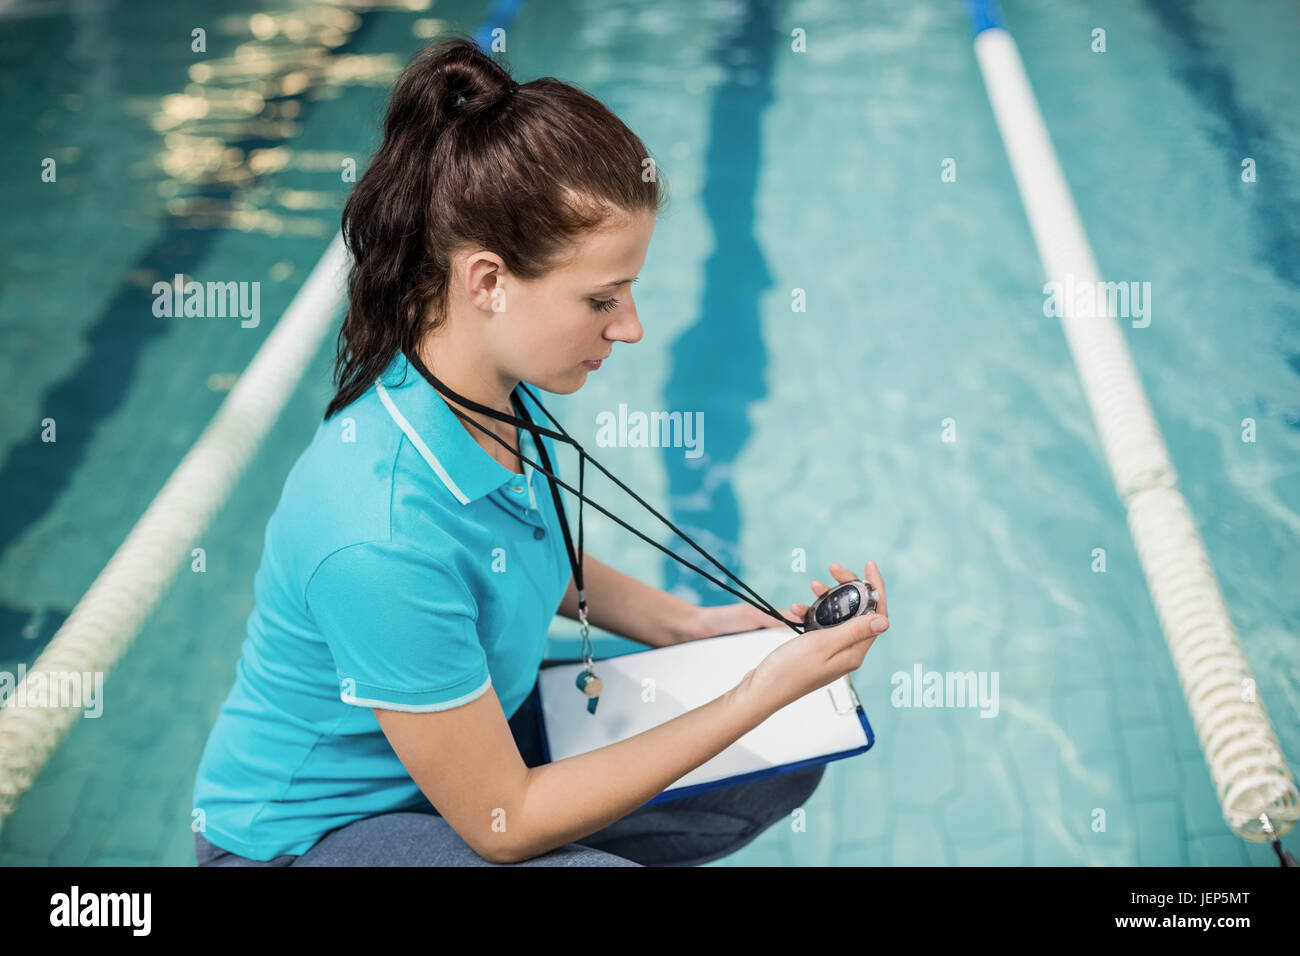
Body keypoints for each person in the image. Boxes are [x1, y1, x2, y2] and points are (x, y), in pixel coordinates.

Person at [191, 33, 889, 867]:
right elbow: (504, 820)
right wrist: (752, 690)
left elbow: (510, 554)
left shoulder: (490, 395)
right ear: (487, 282)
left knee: (777, 760)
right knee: (747, 721)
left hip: (469, 738)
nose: (629, 328)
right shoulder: (374, 530)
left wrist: (690, 626)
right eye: (602, 298)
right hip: (315, 839)